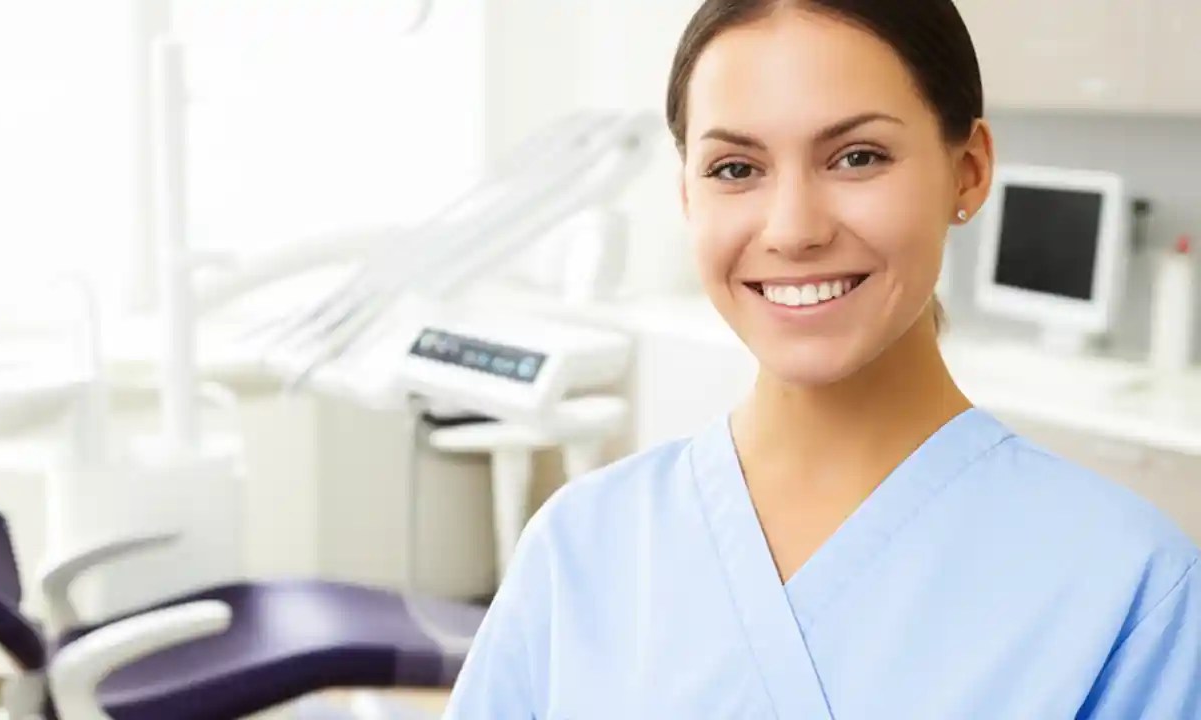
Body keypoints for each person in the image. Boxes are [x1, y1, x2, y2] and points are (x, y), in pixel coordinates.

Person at [442, 1, 1201, 717]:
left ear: (968, 170)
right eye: (736, 169)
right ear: (686, 194)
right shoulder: (580, 549)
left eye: (857, 157)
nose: (793, 229)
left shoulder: (1132, 592)